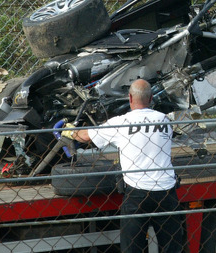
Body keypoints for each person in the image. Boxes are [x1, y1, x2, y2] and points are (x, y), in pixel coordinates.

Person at [62, 79, 186, 253]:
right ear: (151, 98)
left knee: (132, 247)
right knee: (171, 246)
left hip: (137, 192)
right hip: (166, 191)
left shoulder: (121, 122)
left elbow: (85, 136)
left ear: (129, 98)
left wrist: (69, 131)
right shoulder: (164, 120)